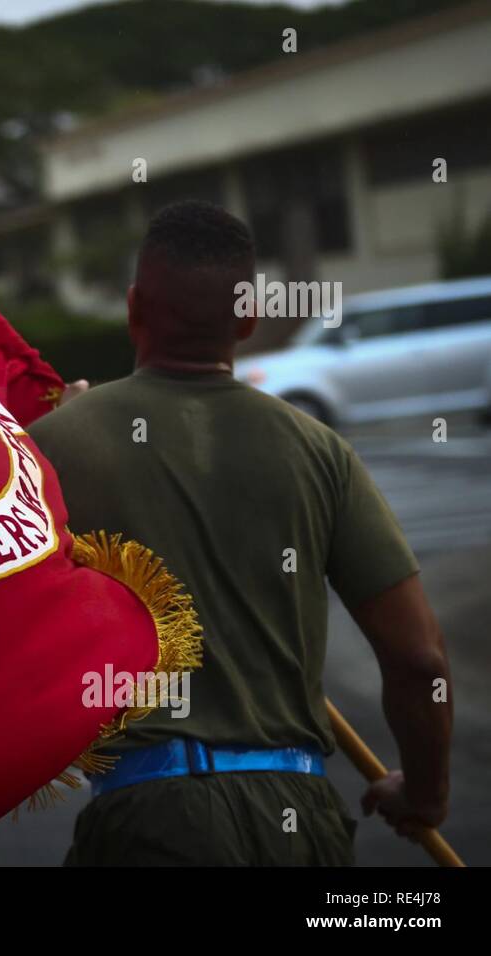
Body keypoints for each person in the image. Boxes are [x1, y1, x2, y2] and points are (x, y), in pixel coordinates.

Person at [29, 200, 452, 865]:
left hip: (147, 821)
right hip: (299, 817)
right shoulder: (320, 450)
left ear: (135, 307)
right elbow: (420, 660)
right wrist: (424, 795)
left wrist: (46, 441)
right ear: (249, 319)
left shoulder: (54, 447)